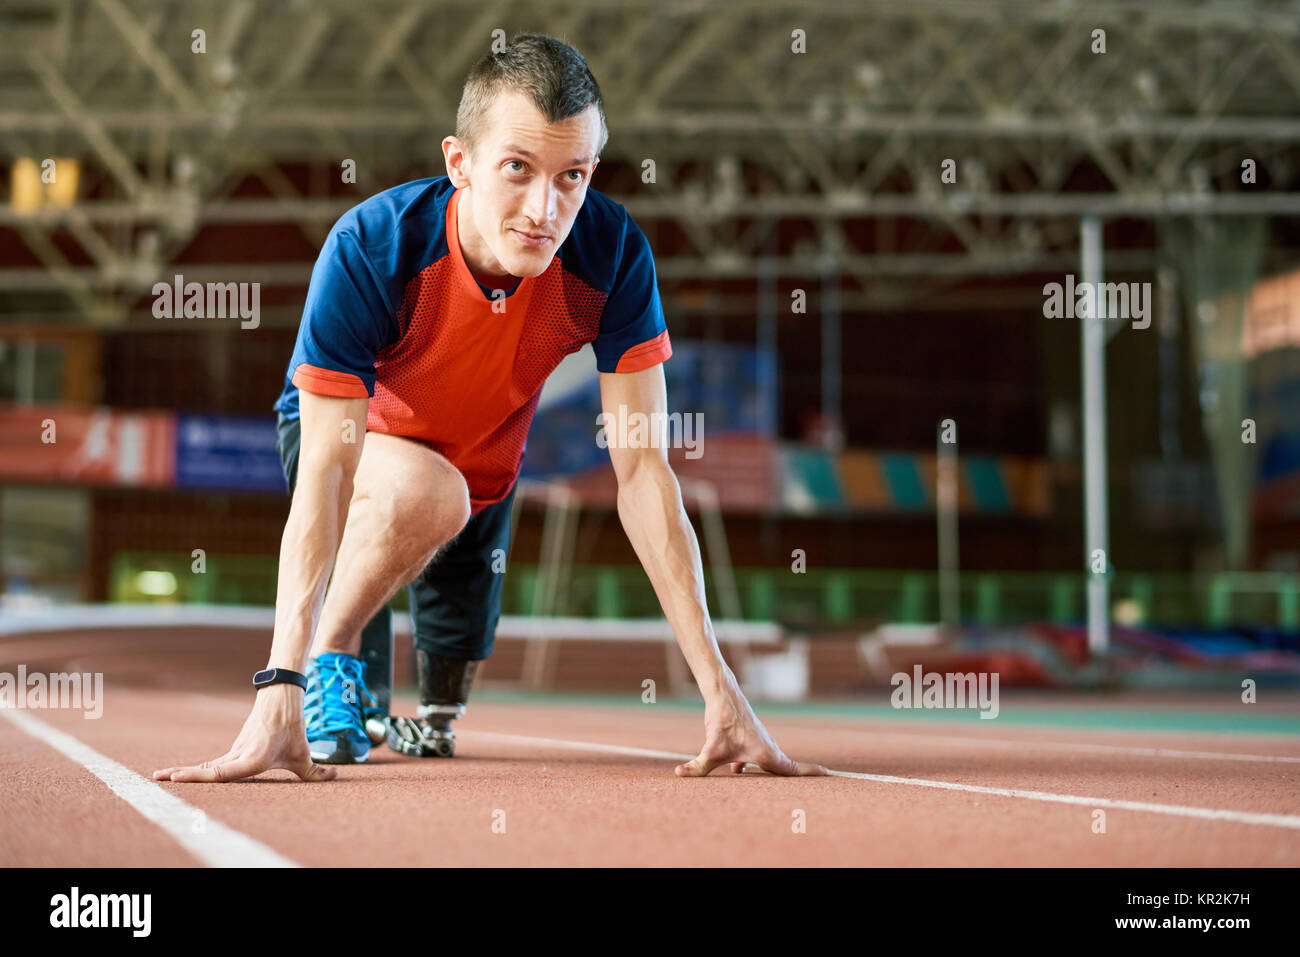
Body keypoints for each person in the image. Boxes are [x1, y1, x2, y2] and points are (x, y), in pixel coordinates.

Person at [153, 33, 825, 784]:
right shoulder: (372, 249)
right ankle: (331, 654)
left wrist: (721, 690)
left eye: (572, 175)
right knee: (426, 495)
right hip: (357, 439)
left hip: (486, 461)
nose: (546, 208)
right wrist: (281, 682)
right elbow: (325, 474)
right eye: (517, 168)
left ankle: (407, 679)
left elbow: (643, 473)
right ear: (458, 163)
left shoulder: (612, 256)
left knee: (446, 690)